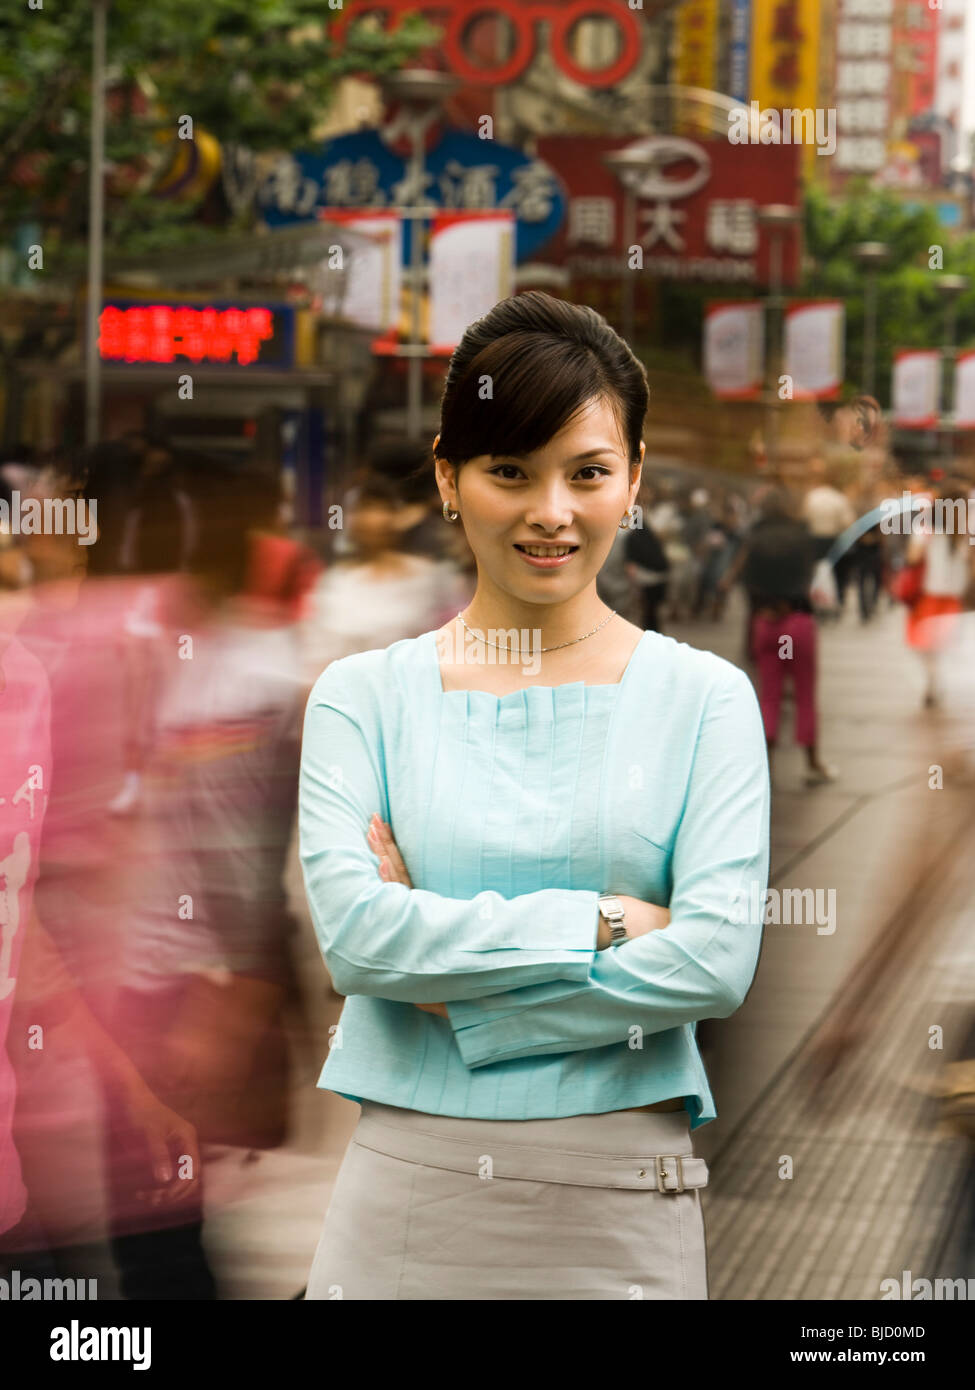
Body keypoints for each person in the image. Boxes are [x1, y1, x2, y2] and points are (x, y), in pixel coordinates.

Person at [298, 291, 770, 1301]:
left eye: (588, 473)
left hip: (623, 1203)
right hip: (406, 1204)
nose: (550, 511)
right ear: (448, 478)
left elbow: (717, 963)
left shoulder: (708, 700)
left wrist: (453, 998)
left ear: (633, 480)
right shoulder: (361, 698)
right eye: (510, 470)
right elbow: (359, 942)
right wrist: (606, 919)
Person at [734, 489, 837, 787]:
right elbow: (810, 576)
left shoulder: (753, 537)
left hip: (765, 623)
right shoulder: (802, 537)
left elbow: (746, 578)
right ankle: (812, 762)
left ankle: (766, 764)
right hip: (797, 622)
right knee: (805, 695)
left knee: (770, 695)